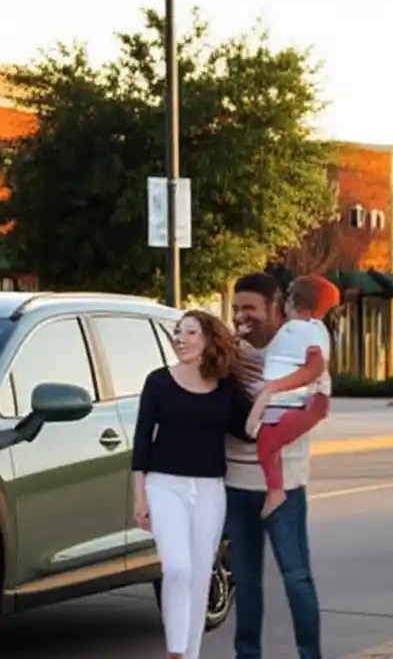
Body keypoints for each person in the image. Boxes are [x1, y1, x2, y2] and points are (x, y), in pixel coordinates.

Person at [131, 309, 253, 659]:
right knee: (178, 568)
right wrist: (140, 497)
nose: (180, 339)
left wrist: (271, 395)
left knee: (200, 576)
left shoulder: (225, 387)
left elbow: (248, 430)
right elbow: (142, 443)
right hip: (164, 485)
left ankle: (190, 654)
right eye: (178, 332)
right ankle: (175, 651)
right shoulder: (157, 382)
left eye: (190, 333)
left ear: (208, 340)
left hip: (210, 490)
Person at [226, 272, 324, 659]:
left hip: (283, 484)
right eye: (235, 309)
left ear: (275, 307)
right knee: (246, 581)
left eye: (249, 308)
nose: (240, 317)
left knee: (296, 578)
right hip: (235, 481)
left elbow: (313, 407)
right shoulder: (228, 354)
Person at [246, 275, 334, 519]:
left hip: (308, 402)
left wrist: (272, 388)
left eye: (287, 297)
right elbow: (273, 357)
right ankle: (276, 490)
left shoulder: (309, 329)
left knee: (266, 443)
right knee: (267, 443)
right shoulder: (294, 329)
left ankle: (276, 491)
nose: (284, 303)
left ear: (294, 301)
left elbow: (313, 369)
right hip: (287, 401)